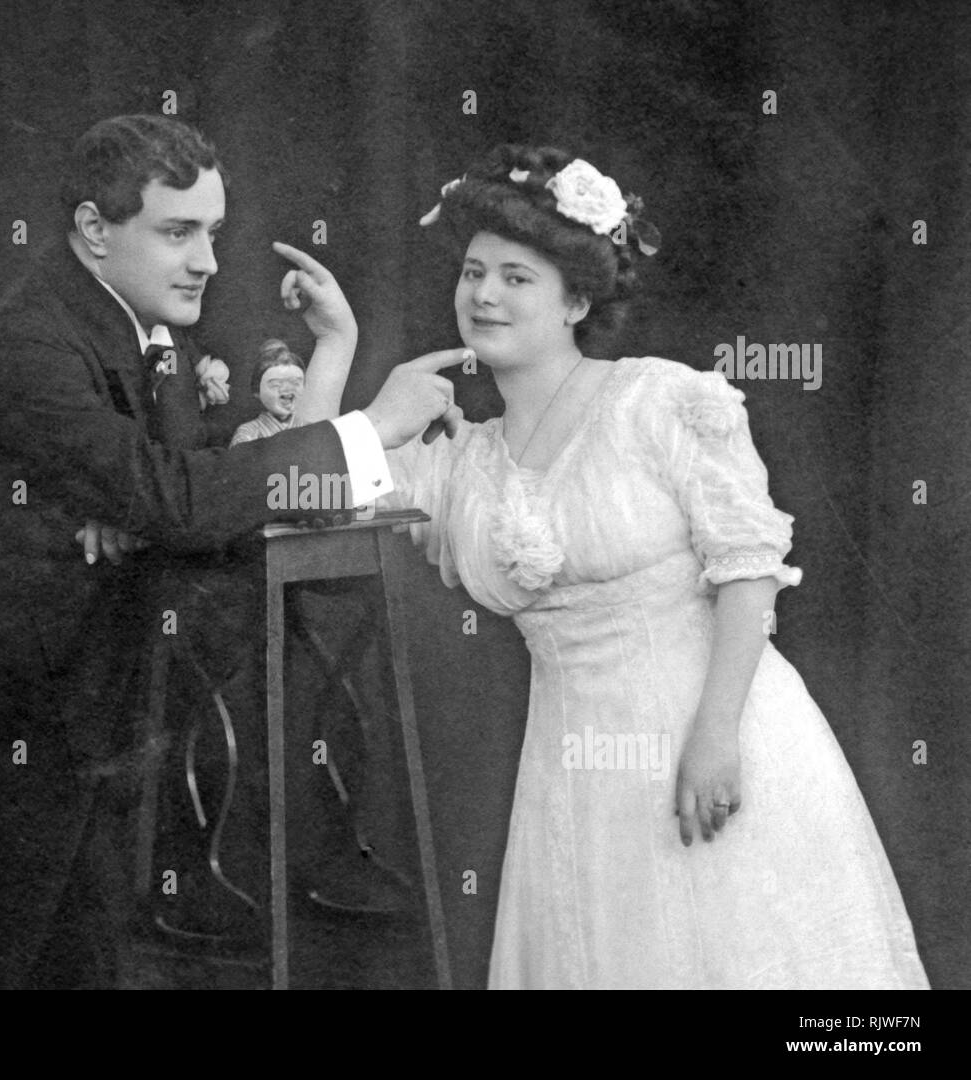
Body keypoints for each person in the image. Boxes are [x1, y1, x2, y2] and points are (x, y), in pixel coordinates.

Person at [361, 143, 929, 989]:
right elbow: (330, 487)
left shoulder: (660, 400)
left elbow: (746, 571)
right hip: (572, 776)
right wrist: (354, 369)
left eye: (517, 277)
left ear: (576, 300)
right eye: (474, 272)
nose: (483, 294)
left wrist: (714, 738)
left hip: (715, 733)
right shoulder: (461, 462)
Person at [0, 114, 467, 988]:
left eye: (213, 234)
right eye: (177, 232)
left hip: (92, 704)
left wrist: (333, 350)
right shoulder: (31, 343)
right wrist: (371, 429)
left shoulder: (147, 329)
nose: (208, 263)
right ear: (94, 231)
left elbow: (215, 493)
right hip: (0, 717)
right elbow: (189, 500)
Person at [230, 339, 308, 445]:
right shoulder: (248, 434)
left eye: (295, 382)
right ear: (257, 391)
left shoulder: (312, 429)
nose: (286, 389)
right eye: (276, 384)